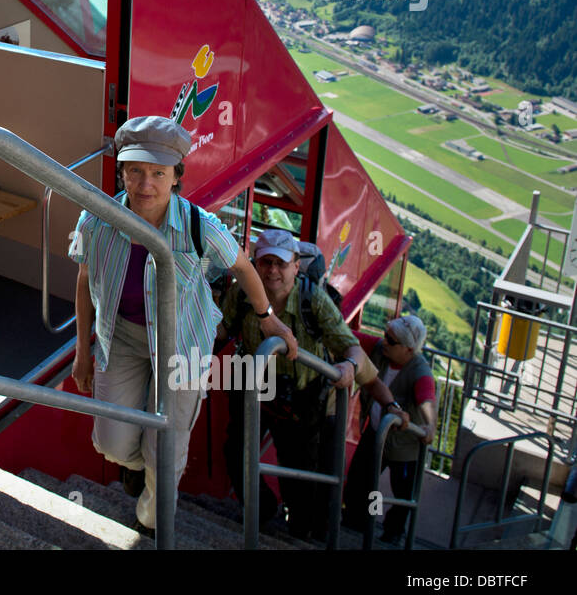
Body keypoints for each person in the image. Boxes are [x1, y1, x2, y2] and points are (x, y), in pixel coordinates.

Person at [69, 115, 297, 533]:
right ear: (121, 171)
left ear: (176, 177)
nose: (145, 185)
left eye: (158, 173)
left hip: (184, 344)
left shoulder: (199, 227)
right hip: (120, 337)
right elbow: (84, 280)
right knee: (111, 443)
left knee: (166, 450)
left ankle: (152, 524)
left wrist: (268, 319)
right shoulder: (95, 220)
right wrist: (82, 352)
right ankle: (141, 465)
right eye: (135, 170)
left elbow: (244, 268)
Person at [219, 229, 406, 539]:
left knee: (297, 468)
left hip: (301, 397)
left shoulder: (312, 300)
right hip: (256, 387)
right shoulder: (242, 294)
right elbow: (221, 331)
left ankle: (300, 529)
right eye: (265, 263)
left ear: (295, 266)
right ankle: (262, 508)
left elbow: (354, 350)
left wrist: (386, 400)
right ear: (254, 264)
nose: (273, 271)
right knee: (236, 450)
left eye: (281, 263)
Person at [342, 314, 435, 543]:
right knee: (360, 481)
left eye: (392, 341)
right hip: (376, 433)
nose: (385, 342)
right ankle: (359, 522)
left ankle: (392, 532)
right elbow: (348, 337)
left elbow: (426, 398)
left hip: (404, 446)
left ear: (409, 349)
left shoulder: (419, 371)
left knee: (402, 493)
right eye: (385, 336)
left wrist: (430, 425)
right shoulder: (381, 351)